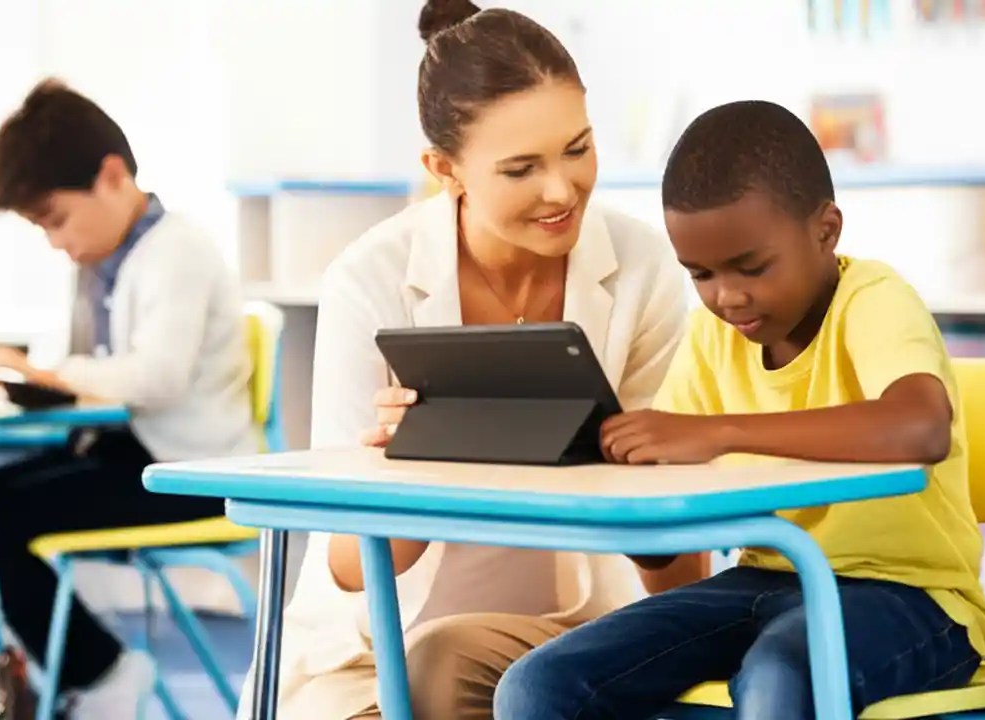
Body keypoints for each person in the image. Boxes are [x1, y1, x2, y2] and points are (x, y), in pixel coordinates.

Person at [259, 2, 707, 718]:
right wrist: (412, 461)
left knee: (457, 676)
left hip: (578, 633)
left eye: (578, 148)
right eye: (521, 168)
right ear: (446, 171)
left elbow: (680, 573)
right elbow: (348, 565)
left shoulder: (643, 267)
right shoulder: (371, 280)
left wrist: (642, 479)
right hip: (373, 649)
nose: (561, 190)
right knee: (424, 678)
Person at [494, 100, 985, 720]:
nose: (727, 297)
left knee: (779, 674)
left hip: (914, 599)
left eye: (751, 267)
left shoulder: (874, 299)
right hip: (761, 582)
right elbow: (665, 548)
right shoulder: (712, 337)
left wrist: (717, 433)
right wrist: (620, 486)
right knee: (537, 687)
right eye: (700, 274)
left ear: (826, 229)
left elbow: (920, 427)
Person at [0, 80, 257, 719]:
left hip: (187, 471)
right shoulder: (99, 267)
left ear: (112, 176)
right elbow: (84, 373)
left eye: (55, 219)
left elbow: (155, 378)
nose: (55, 241)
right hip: (124, 455)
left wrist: (41, 371)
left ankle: (103, 672)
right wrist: (25, 376)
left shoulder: (179, 251)